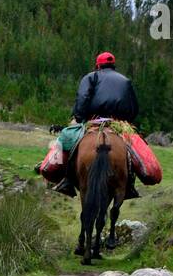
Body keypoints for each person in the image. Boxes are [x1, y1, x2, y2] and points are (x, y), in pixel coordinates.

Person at [54, 52, 140, 197]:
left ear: (98, 65)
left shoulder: (91, 77)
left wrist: (79, 117)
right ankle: (129, 184)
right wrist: (126, 122)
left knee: (66, 139)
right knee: (133, 149)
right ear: (113, 66)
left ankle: (67, 180)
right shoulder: (125, 81)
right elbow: (134, 106)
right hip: (118, 123)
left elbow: (83, 97)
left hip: (93, 120)